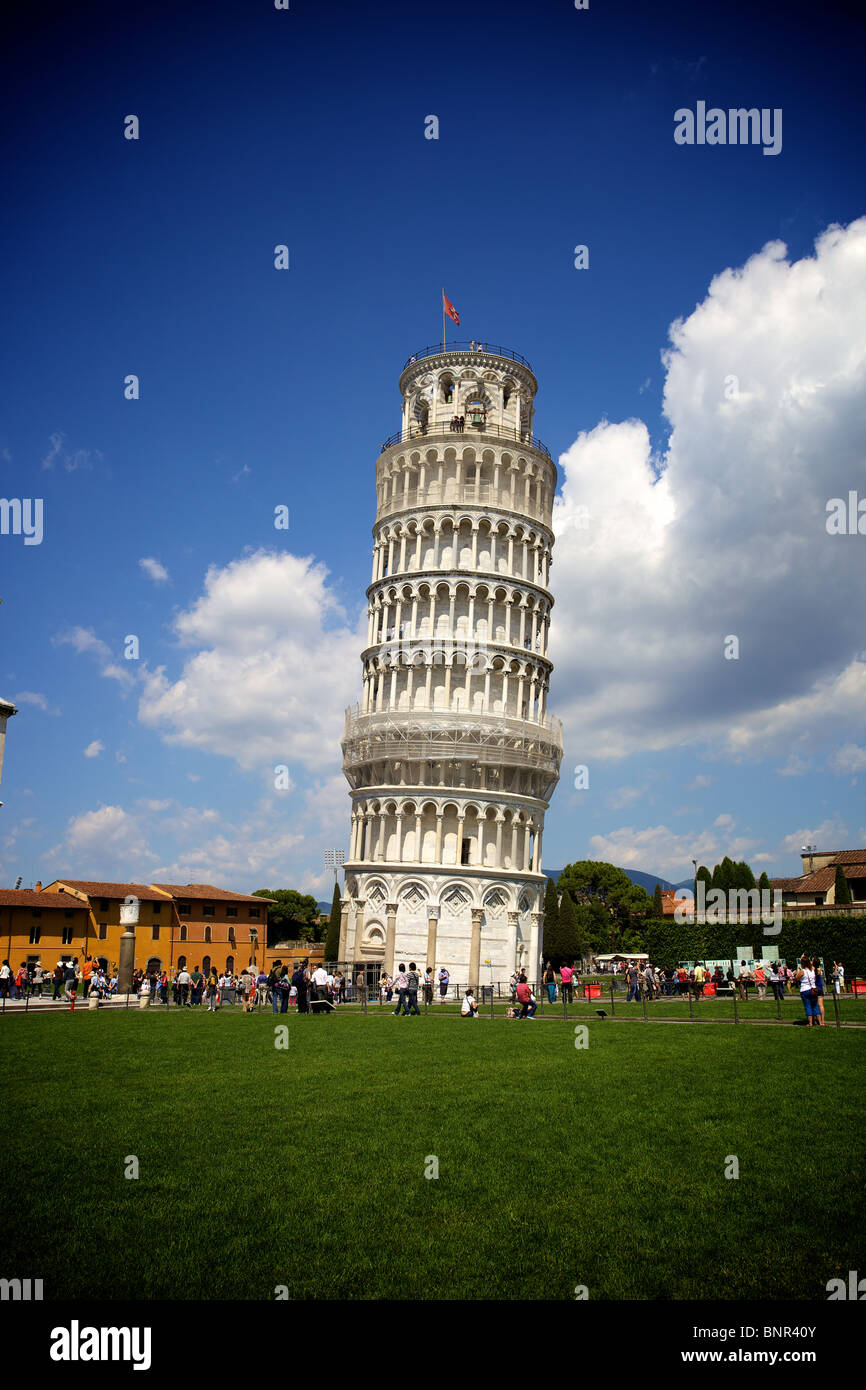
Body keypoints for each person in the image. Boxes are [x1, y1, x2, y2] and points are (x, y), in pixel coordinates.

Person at [795, 953, 821, 1026]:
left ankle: (810, 1023)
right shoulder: (812, 970)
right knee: (815, 1006)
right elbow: (815, 979)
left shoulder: (802, 971)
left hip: (805, 989)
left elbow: (796, 978)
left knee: (808, 1006)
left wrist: (798, 970)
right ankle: (820, 1022)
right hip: (813, 989)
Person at [812, 957, 826, 1025]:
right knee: (821, 1005)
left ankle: (814, 1020)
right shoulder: (819, 969)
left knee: (813, 1005)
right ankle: (822, 1021)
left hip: (814, 987)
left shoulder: (812, 969)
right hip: (820, 987)